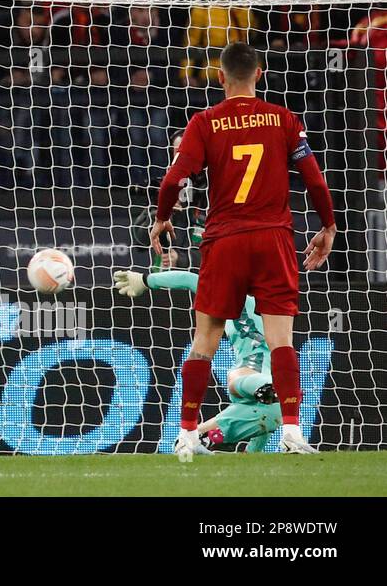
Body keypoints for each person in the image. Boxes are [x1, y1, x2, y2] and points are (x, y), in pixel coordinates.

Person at [150, 42, 336, 460]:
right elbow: (316, 182)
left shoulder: (205, 121)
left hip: (224, 240)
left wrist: (163, 218)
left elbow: (172, 181)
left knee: (204, 342)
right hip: (273, 239)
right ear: (260, 74)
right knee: (281, 342)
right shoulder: (285, 119)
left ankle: (186, 436)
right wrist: (327, 226)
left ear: (220, 78)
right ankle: (291, 432)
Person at [115, 267, 282, 454]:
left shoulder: (250, 299)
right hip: (258, 376)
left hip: (259, 376)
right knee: (273, 400)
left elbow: (189, 279)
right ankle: (266, 387)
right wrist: (146, 280)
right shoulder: (247, 300)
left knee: (270, 412)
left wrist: (254, 453)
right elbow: (191, 280)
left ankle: (200, 439)